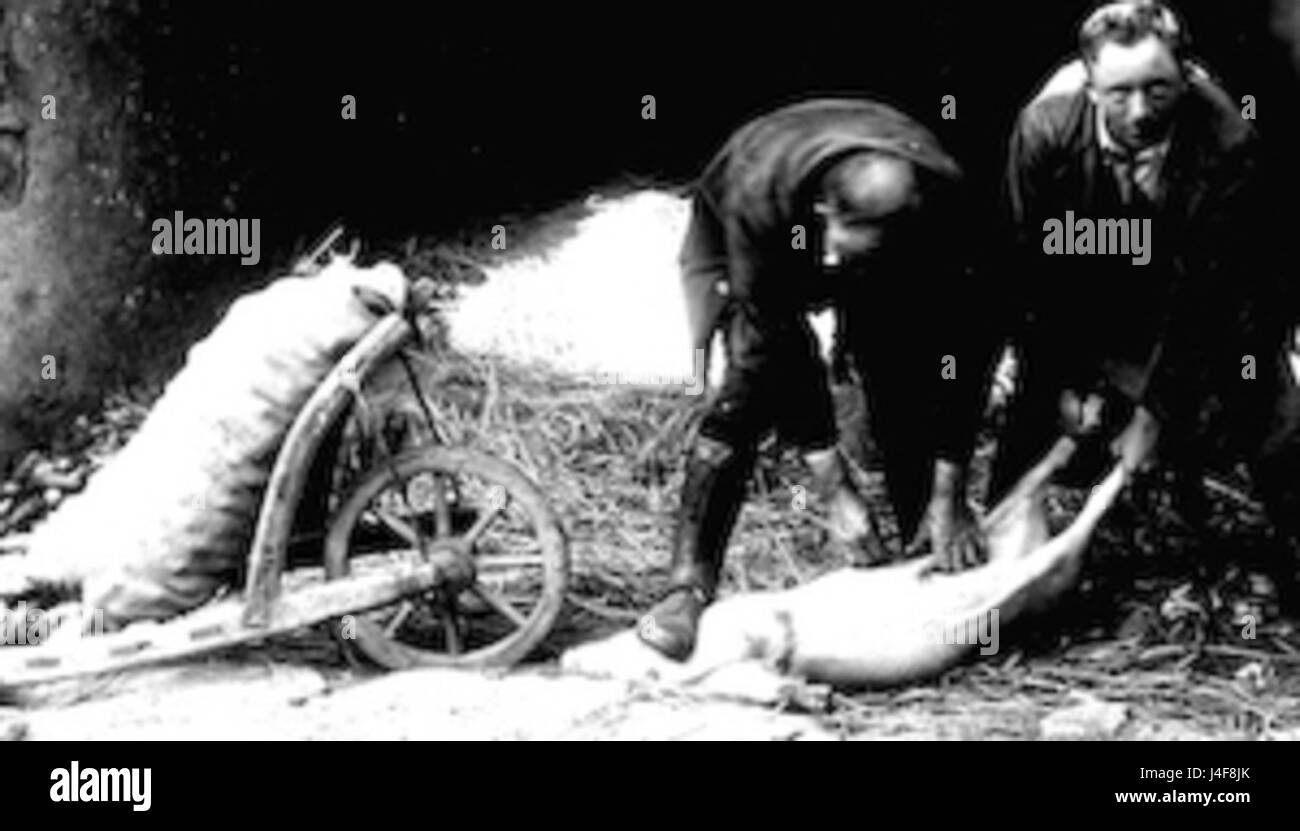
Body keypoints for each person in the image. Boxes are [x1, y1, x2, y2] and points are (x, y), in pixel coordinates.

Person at [638, 98, 998, 660]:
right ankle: (686, 589)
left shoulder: (948, 204)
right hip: (749, 220)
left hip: (876, 239)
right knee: (750, 384)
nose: (830, 261)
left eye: (857, 253)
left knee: (901, 370)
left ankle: (918, 540)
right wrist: (835, 492)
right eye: (836, 243)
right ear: (826, 212)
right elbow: (782, 344)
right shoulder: (759, 195)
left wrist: (949, 495)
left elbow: (967, 348)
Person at [997, 1, 1297, 568]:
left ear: (1186, 78)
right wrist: (1067, 381)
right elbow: (1033, 267)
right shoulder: (1045, 129)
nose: (1138, 111)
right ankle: (1006, 571)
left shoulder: (1229, 143)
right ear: (1090, 89)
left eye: (1157, 89)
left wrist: (1153, 411)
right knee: (1037, 418)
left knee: (1272, 416)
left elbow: (1214, 297)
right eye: (1118, 93)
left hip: (1187, 286)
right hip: (1088, 273)